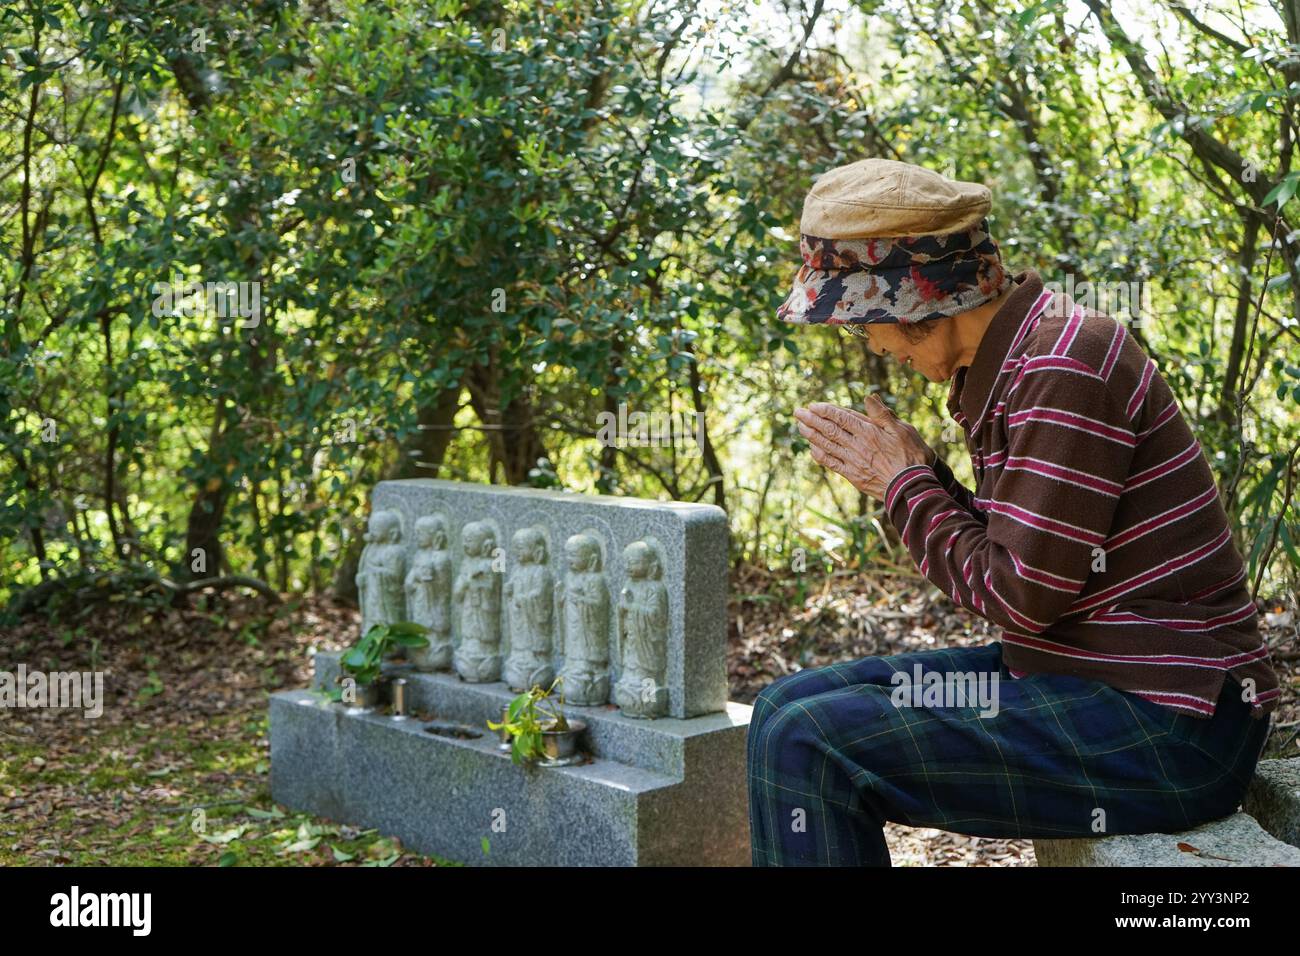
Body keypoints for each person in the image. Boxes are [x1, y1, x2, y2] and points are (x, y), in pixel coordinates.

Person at [748, 158, 1279, 866]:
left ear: (911, 301)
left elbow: (1019, 594)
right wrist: (923, 476)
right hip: (1089, 676)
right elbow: (1028, 556)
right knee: (781, 710)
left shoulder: (1061, 363)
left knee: (809, 741)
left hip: (1171, 722)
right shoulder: (1026, 354)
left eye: (860, 324)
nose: (872, 346)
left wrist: (905, 484)